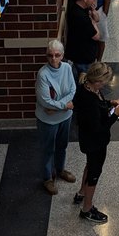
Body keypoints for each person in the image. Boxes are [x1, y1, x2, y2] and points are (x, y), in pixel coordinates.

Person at [72, 62, 119, 224]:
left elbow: (99, 104)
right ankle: (87, 208)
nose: (105, 84)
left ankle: (82, 192)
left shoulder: (88, 89)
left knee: (89, 164)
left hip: (88, 140)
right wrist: (115, 115)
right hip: (95, 142)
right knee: (94, 172)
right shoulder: (90, 100)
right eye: (104, 82)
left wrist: (110, 103)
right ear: (97, 81)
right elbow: (99, 128)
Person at [35, 40, 76, 195]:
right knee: (47, 149)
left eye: (57, 55)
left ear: (62, 55)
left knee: (62, 145)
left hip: (65, 117)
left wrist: (55, 106)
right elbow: (45, 101)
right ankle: (47, 178)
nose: (53, 59)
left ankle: (60, 170)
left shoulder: (67, 68)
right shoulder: (43, 74)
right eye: (50, 55)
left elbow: (72, 90)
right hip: (48, 120)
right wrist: (65, 105)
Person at [65, 0, 102, 78]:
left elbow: (97, 19)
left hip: (84, 57)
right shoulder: (80, 16)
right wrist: (92, 22)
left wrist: (93, 11)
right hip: (82, 61)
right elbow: (97, 36)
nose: (95, 0)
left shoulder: (82, 8)